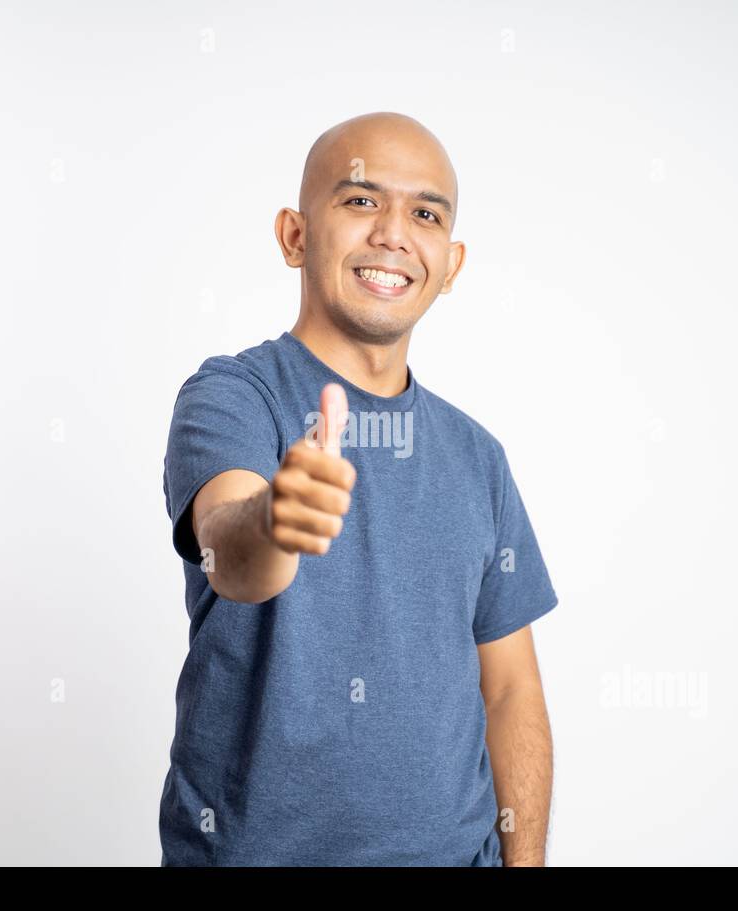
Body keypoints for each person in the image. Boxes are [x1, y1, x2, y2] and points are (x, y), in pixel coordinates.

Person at [160, 112, 558, 865]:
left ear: (452, 263)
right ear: (294, 236)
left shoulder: (479, 458)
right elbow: (231, 557)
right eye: (360, 200)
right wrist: (277, 520)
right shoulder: (234, 397)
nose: (394, 233)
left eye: (425, 213)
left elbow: (510, 693)